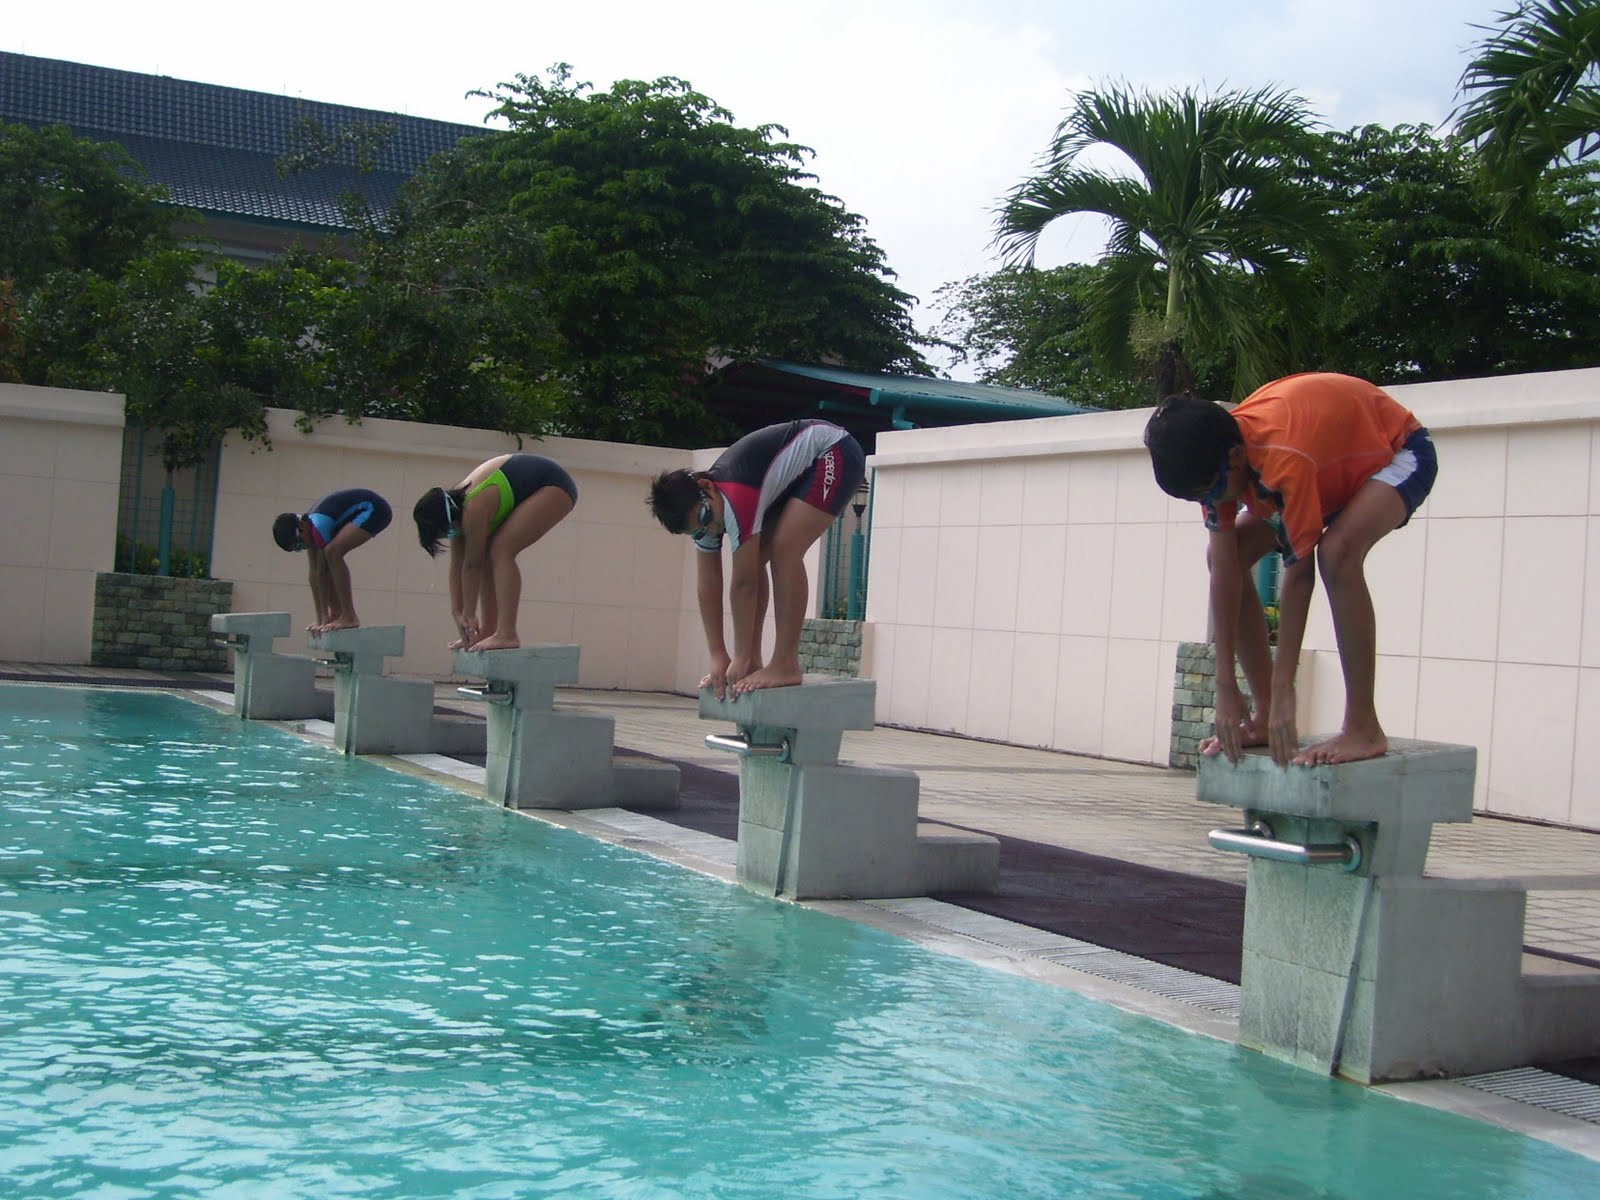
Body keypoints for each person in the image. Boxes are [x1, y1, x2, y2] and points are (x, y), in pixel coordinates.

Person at [1144, 372, 1437, 768]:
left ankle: (1364, 727)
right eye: (1198, 498)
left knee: (1337, 554)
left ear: (1234, 459)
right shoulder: (1217, 464)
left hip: (1397, 451)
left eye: (1211, 492)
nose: (1210, 502)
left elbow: (1300, 574)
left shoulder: (1283, 460)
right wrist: (1225, 686)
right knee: (1221, 557)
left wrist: (1287, 689)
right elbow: (1225, 572)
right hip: (1330, 472)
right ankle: (1263, 718)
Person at [647, 418, 866, 698]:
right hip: (801, 471)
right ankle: (753, 659)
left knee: (784, 549)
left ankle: (785, 663)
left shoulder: (736, 496)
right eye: (698, 531)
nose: (712, 530)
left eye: (706, 519)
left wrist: (736, 656)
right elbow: (708, 585)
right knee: (758, 554)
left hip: (833, 451)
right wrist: (718, 655)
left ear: (707, 487)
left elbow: (744, 584)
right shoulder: (706, 511)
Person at [413, 453, 577, 652]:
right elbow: (458, 566)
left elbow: (473, 566)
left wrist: (470, 615)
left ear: (447, 518)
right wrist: (457, 613)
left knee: (501, 550)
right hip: (532, 482)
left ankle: (507, 634)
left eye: (448, 531)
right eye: (448, 534)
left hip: (553, 485)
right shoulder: (455, 510)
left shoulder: (472, 509)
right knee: (491, 557)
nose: (452, 535)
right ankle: (490, 632)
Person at [272, 488, 393, 634]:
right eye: (298, 548)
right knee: (326, 558)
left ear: (302, 526)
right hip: (361, 509)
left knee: (332, 552)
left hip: (376, 509)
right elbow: (314, 573)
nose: (304, 547)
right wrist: (320, 619)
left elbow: (323, 572)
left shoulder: (318, 525)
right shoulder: (309, 527)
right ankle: (337, 614)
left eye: (300, 543)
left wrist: (323, 619)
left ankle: (349, 616)